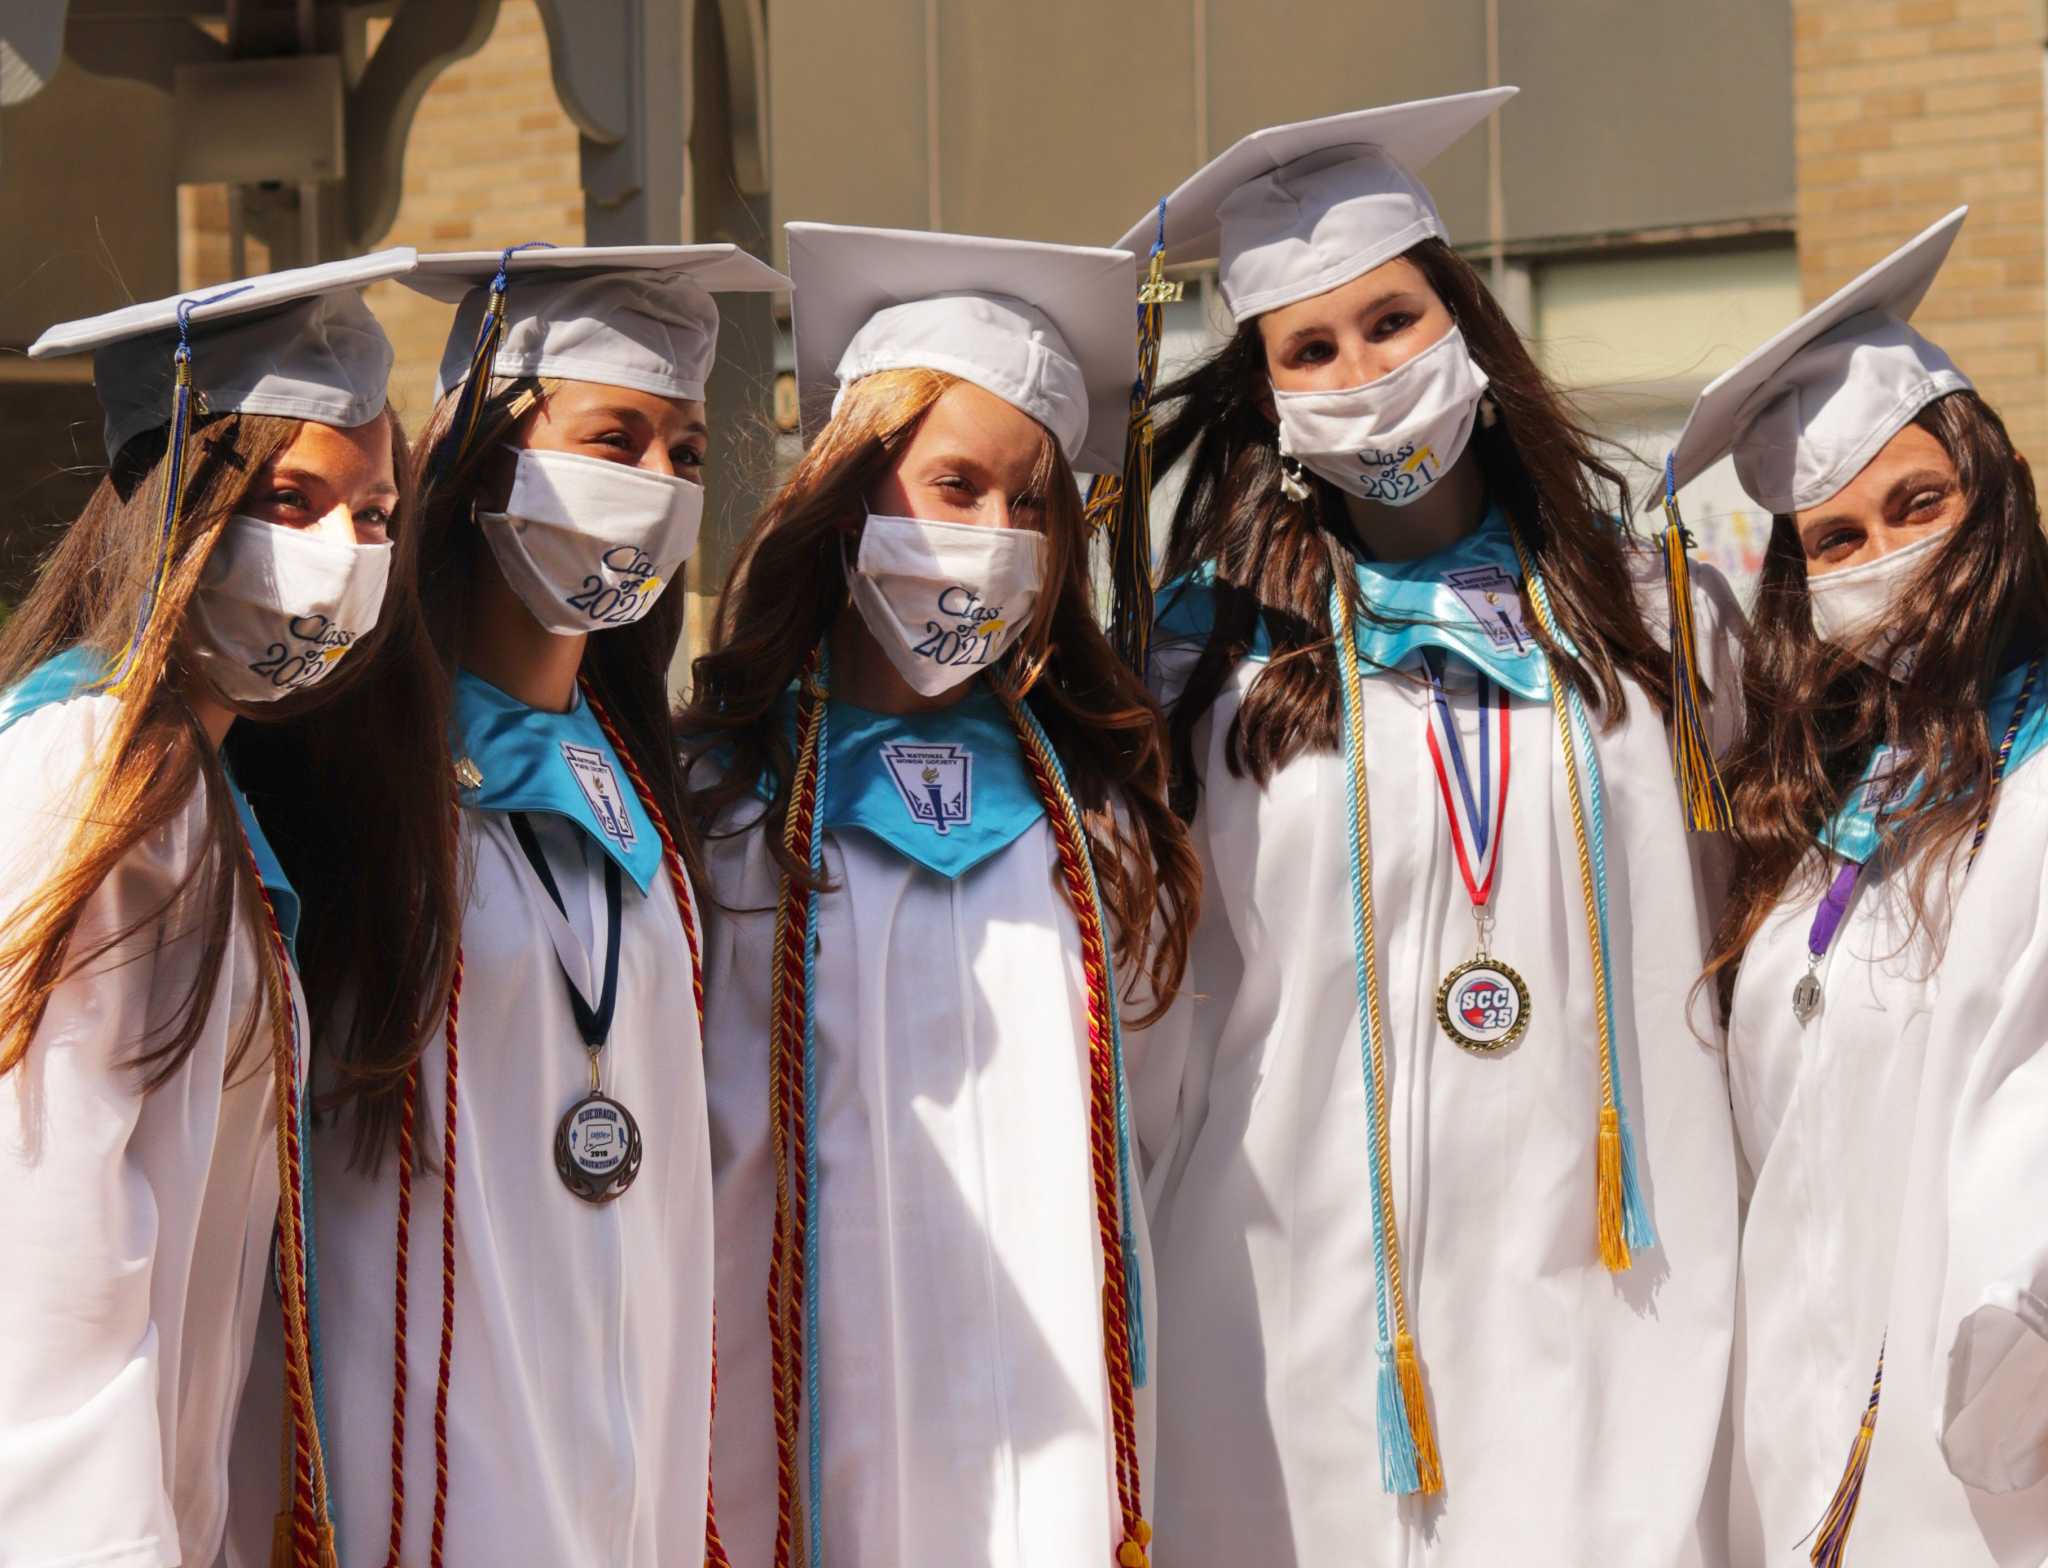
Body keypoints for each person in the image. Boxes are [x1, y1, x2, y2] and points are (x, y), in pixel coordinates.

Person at [1126, 90, 1744, 1565]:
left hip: (1607, 1283)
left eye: (1392, 321)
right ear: (1269, 397)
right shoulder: (1211, 669)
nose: (1365, 371)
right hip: (1300, 1289)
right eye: (1313, 350)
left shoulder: (1655, 621)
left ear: (1464, 322)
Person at [223, 243, 787, 1568]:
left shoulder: (640, 776)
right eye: (615, 437)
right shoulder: (341, 765)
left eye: (686, 454)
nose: (653, 486)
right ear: (485, 448)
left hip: (621, 1429)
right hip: (422, 1414)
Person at [679, 222, 1200, 1568]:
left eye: (1031, 503)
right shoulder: (721, 803)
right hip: (797, 1394)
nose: (994, 534)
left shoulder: (1092, 820)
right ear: (848, 492)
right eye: (955, 484)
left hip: (1054, 1420)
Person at [0, 254, 450, 1568]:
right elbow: (47, 1251)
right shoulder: (82, 773)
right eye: (286, 497)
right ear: (176, 502)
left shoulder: (211, 802)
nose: (340, 555)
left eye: (375, 516)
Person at [1682, 207, 2048, 1566]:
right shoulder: (1822, 813)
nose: (1885, 557)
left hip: (1990, 1444)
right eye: (1834, 541)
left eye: (1917, 507)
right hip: (1804, 1435)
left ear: (1991, 498)